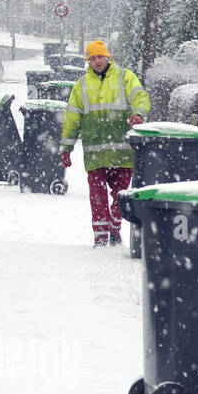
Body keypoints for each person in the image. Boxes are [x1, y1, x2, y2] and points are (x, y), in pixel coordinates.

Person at [59, 39, 150, 246]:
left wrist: (138, 113)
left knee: (120, 196)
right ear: (88, 61)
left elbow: (140, 97)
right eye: (92, 58)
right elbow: (72, 118)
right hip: (94, 153)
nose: (97, 61)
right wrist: (66, 147)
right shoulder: (81, 85)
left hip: (122, 152)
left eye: (100, 56)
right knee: (97, 197)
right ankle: (100, 238)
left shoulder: (125, 77)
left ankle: (115, 229)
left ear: (108, 57)